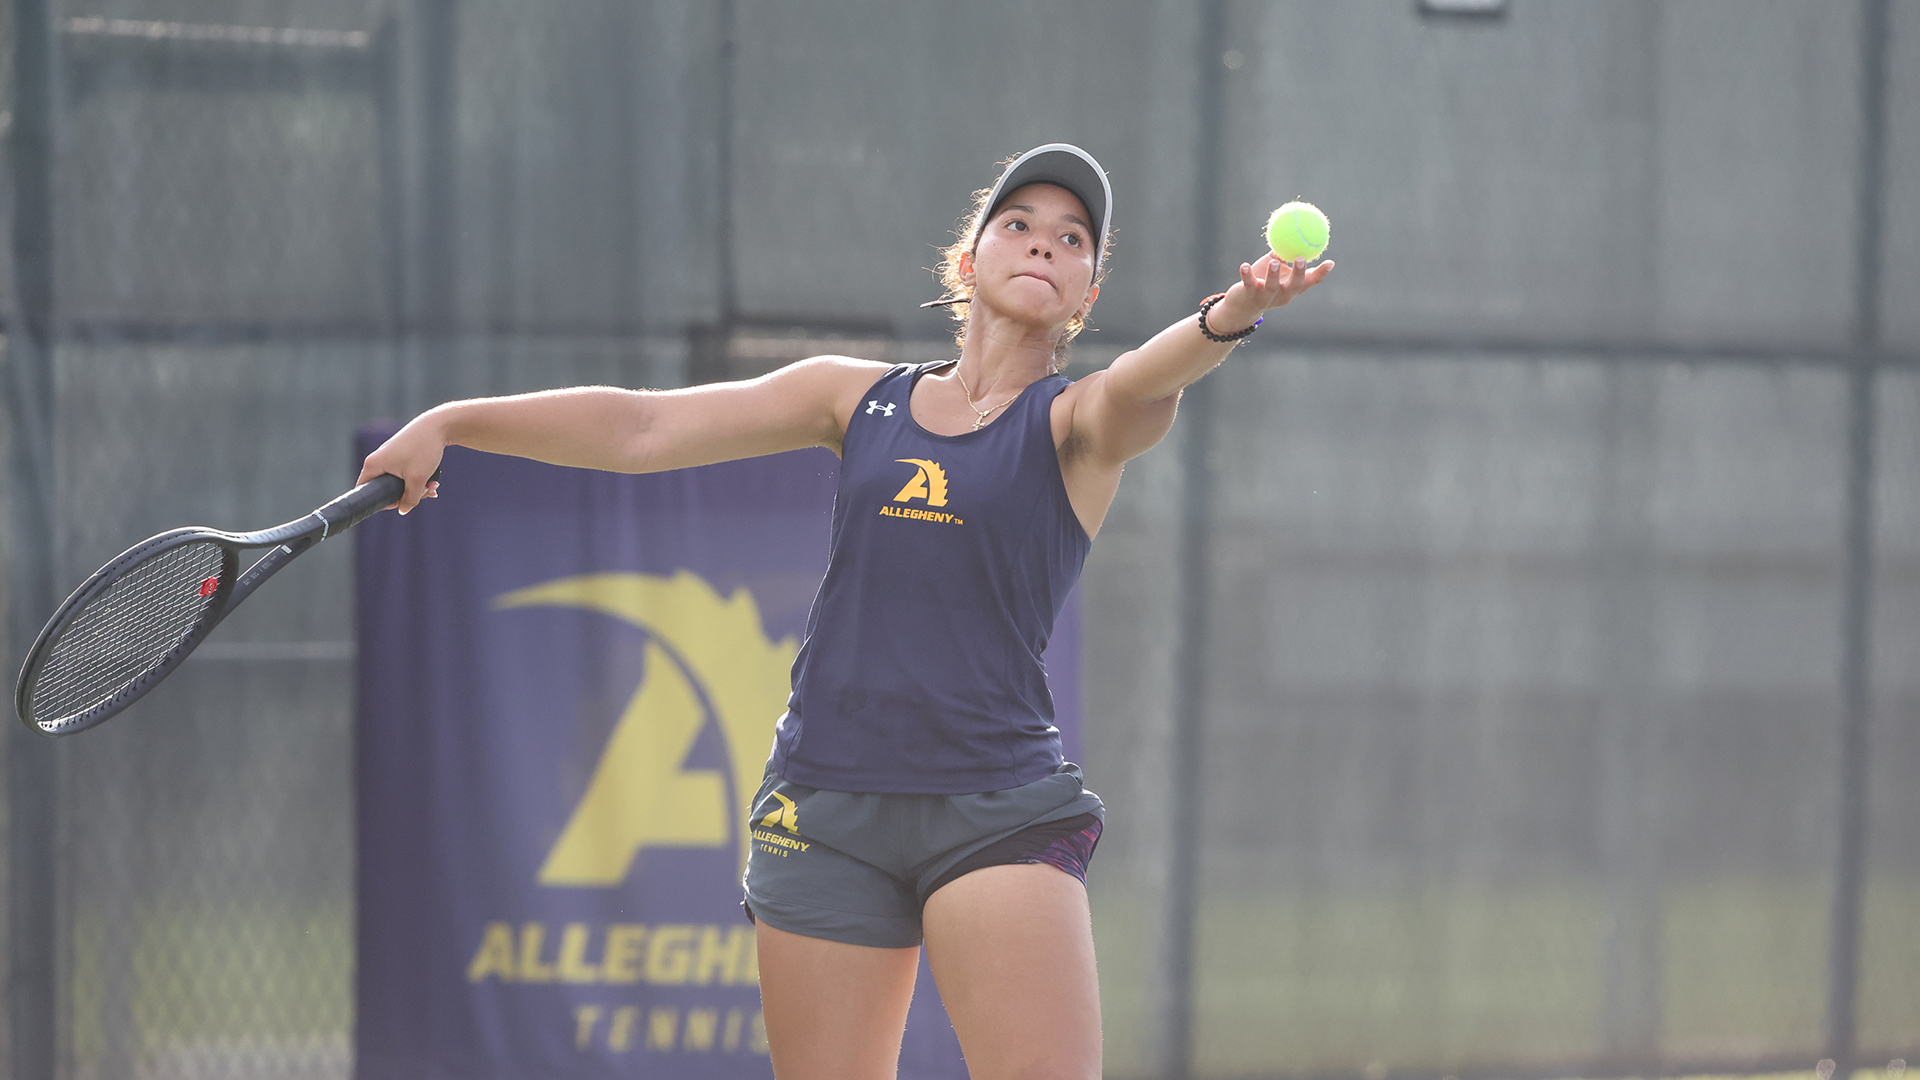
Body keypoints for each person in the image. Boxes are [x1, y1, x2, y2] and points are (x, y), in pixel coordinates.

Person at [358, 143, 1332, 1080]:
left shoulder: (1079, 424)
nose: (1045, 242)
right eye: (1021, 223)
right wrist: (454, 422)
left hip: (991, 803)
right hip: (824, 810)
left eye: (1073, 239)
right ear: (969, 258)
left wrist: (1233, 313)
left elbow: (1141, 383)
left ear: (1087, 294)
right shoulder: (853, 398)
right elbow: (647, 426)